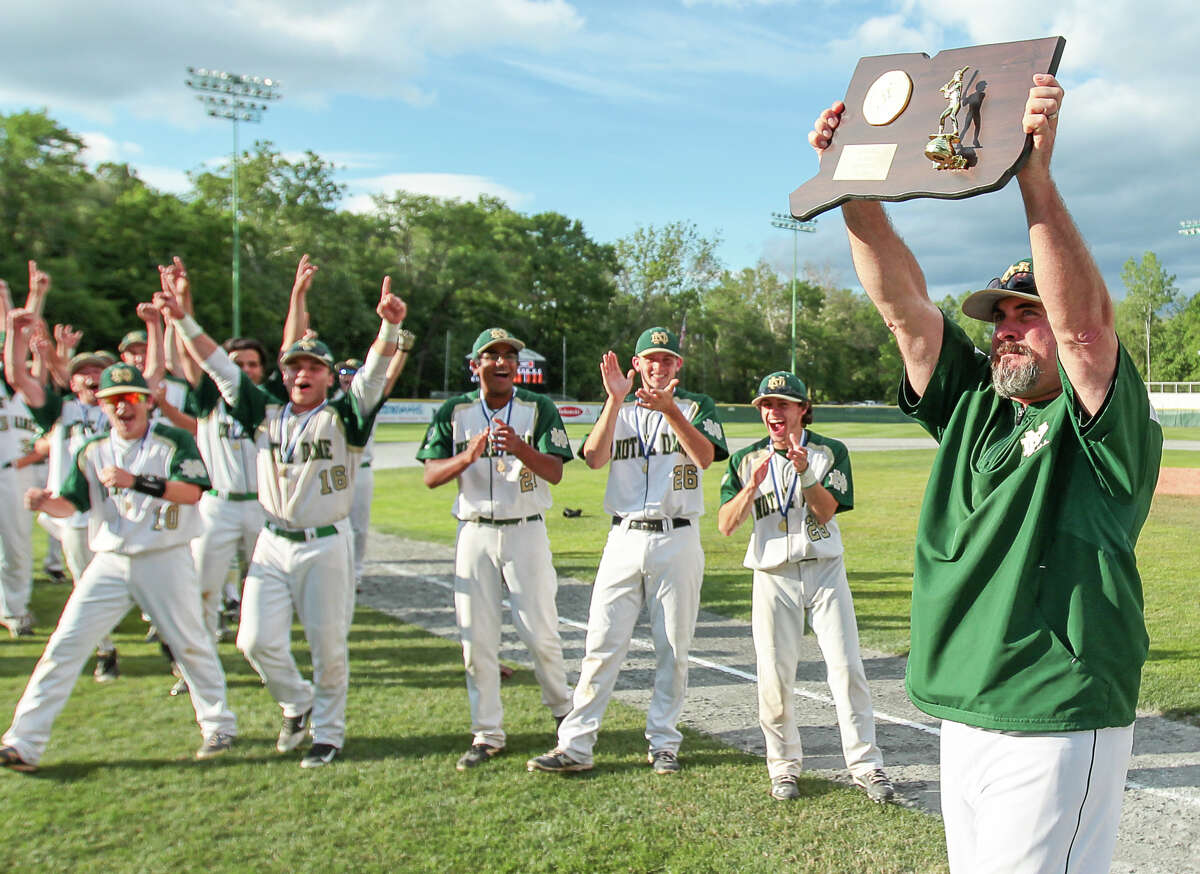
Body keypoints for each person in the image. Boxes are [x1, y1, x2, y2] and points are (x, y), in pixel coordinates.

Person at [808, 75, 1162, 871]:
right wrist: (853, 190)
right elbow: (903, 308)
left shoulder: (1095, 419)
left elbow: (1083, 334)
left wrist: (1032, 177)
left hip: (1053, 714)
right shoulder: (973, 405)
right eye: (997, 316)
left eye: (1023, 313)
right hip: (960, 709)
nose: (1004, 329)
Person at [155, 274, 406, 769]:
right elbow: (218, 365)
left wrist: (389, 328)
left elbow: (374, 375)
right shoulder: (264, 412)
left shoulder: (345, 415)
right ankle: (297, 701)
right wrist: (180, 317)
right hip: (272, 542)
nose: (301, 373)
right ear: (284, 375)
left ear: (330, 377)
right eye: (294, 366)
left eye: (313, 366)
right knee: (253, 640)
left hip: (327, 542)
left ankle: (328, 734)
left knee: (327, 645)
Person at [0, 363, 237, 772]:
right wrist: (43, 502)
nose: (122, 408)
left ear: (145, 401)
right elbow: (72, 504)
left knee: (190, 643)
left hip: (164, 556)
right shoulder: (92, 448)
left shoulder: (172, 438)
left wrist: (137, 481)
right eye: (113, 401)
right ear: (102, 405)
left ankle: (218, 724)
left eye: (130, 398)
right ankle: (23, 741)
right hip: (109, 559)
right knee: (64, 645)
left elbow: (194, 492)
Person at [527, 326, 727, 775]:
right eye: (650, 359)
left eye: (668, 359)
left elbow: (705, 457)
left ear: (679, 365)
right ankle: (576, 745)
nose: (659, 366)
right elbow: (594, 458)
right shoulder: (618, 407)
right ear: (636, 366)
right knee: (600, 643)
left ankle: (664, 743)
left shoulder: (697, 406)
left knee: (672, 648)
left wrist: (672, 410)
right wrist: (615, 399)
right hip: (623, 536)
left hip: (677, 536)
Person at [717, 371, 894, 803]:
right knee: (774, 677)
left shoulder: (829, 451)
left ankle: (866, 765)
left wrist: (804, 473)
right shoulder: (745, 459)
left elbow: (828, 511)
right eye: (766, 405)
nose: (773, 412)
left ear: (802, 409)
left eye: (782, 404)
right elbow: (725, 525)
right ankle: (783, 767)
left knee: (847, 667)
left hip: (825, 569)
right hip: (772, 574)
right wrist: (751, 488)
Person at [418, 328, 574, 771]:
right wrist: (467, 457)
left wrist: (520, 447)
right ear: (476, 364)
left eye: (509, 356)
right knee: (476, 638)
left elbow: (556, 474)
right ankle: (487, 732)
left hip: (526, 529)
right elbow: (431, 476)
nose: (502, 362)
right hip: (474, 531)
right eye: (492, 355)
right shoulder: (456, 410)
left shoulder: (538, 408)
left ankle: (564, 713)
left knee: (539, 631)